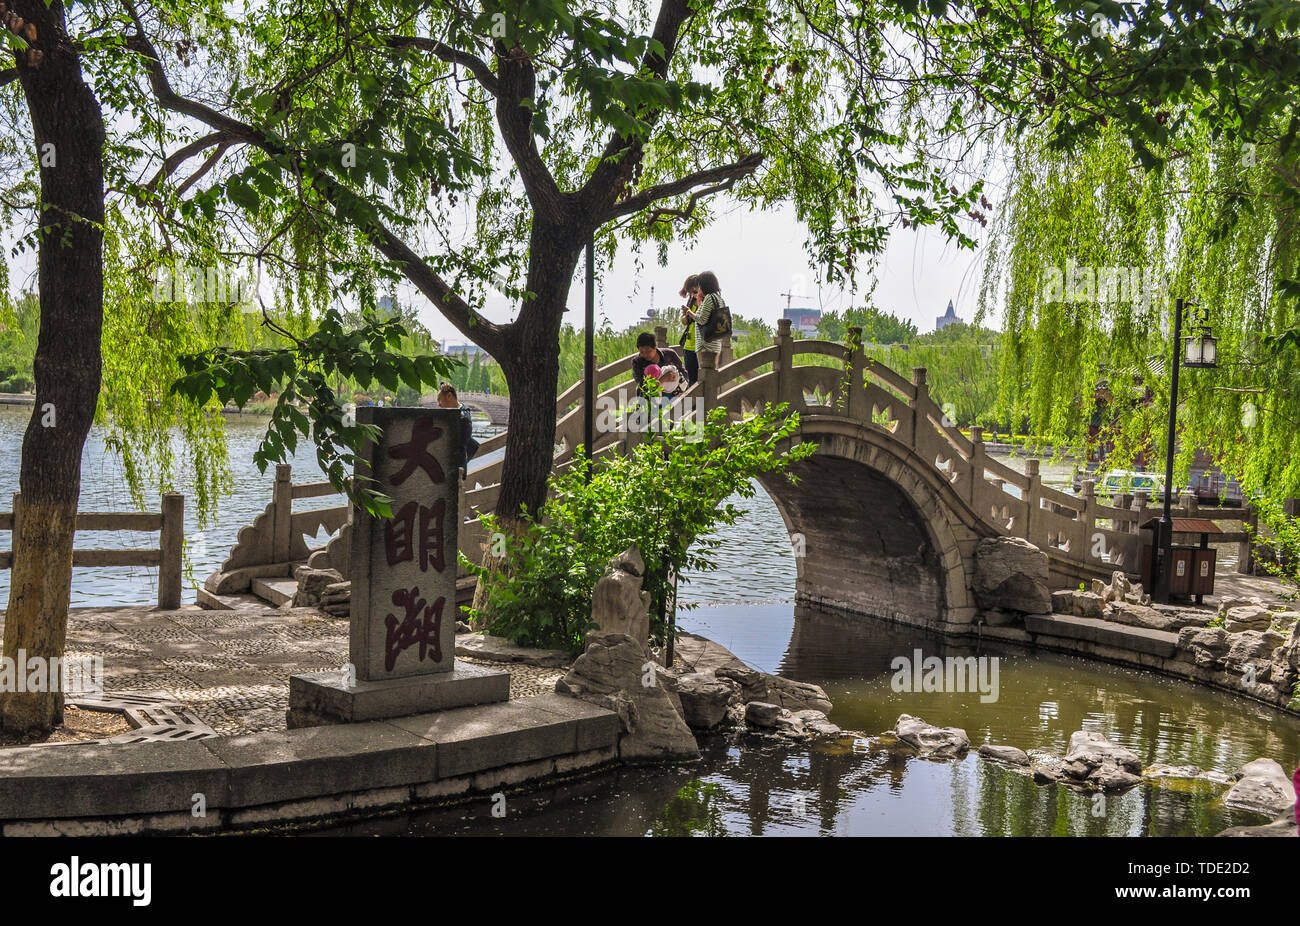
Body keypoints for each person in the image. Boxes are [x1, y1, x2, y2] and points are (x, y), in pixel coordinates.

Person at [437, 383, 479, 477]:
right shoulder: (457, 412)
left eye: (439, 400)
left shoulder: (463, 418)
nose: (438, 404)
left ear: (449, 396)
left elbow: (460, 447)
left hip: (455, 470)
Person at [688, 270, 729, 365]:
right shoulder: (719, 299)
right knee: (712, 372)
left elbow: (702, 320)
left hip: (705, 345)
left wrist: (689, 313)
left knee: (704, 372)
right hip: (715, 344)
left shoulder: (709, 297)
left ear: (704, 285)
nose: (699, 288)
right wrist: (699, 301)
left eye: (699, 285)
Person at [631, 332, 685, 398]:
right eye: (642, 352)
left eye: (648, 351)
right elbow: (643, 387)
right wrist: (662, 379)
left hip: (676, 396)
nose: (645, 355)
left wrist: (684, 390)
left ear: (655, 347)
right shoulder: (637, 362)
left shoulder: (670, 354)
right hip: (652, 400)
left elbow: (683, 371)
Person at [677, 274, 701, 385]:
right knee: (690, 379)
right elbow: (685, 321)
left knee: (701, 379)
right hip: (689, 345)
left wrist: (690, 313)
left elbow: (701, 319)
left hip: (701, 345)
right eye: (690, 292)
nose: (692, 294)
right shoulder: (690, 302)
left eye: (695, 291)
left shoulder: (705, 302)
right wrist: (686, 314)